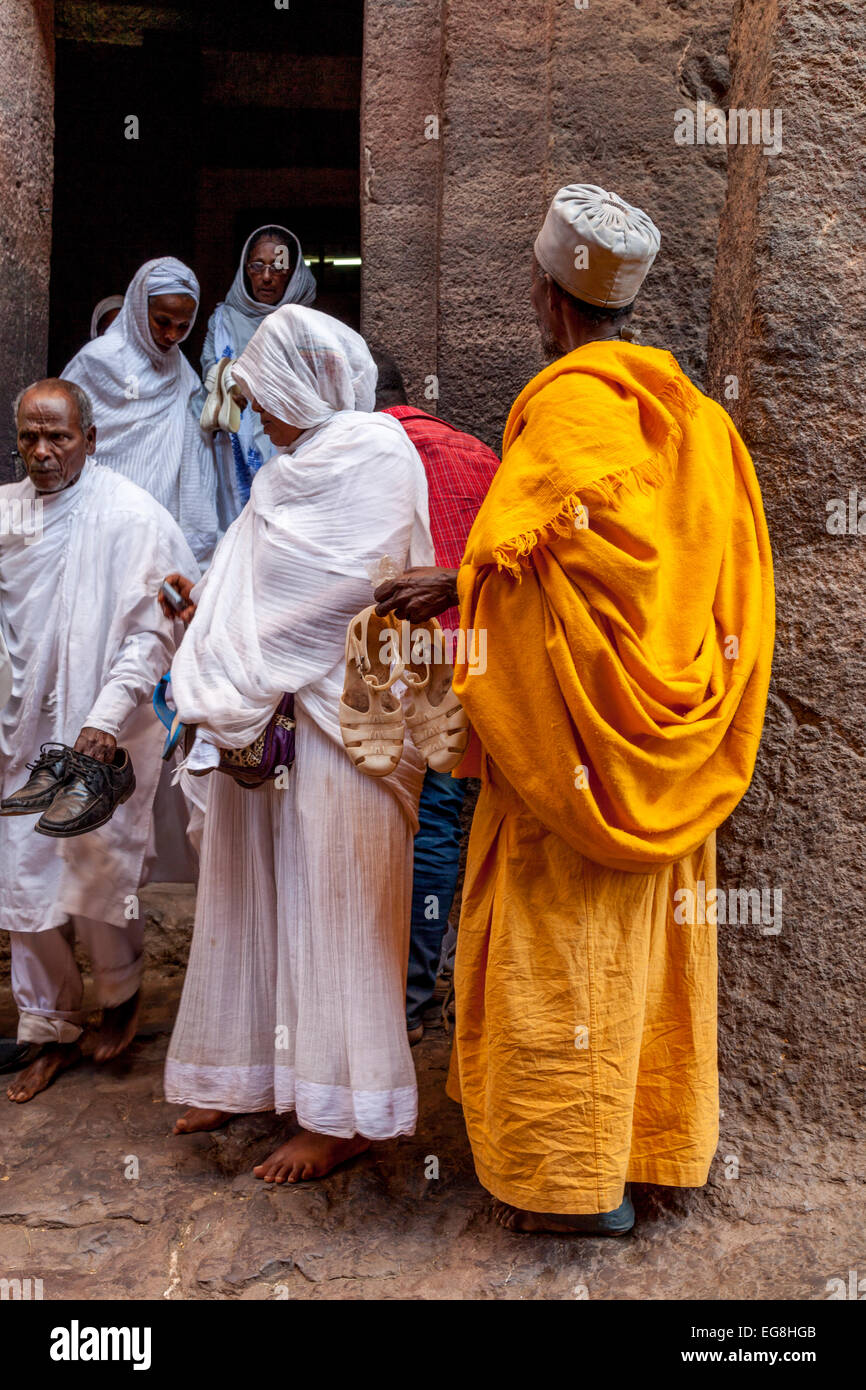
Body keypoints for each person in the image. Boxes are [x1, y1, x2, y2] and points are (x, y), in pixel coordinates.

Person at [375, 183, 775, 1234]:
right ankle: (652, 1152)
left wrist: (461, 589)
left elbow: (531, 580)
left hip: (568, 769)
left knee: (559, 964)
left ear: (546, 297)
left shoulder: (560, 405)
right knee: (647, 964)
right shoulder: (696, 423)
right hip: (664, 757)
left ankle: (571, 1187)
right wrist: (466, 581)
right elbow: (685, 580)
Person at [162, 305, 434, 1185]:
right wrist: (206, 613)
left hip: (343, 723)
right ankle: (243, 1075)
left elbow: (353, 589)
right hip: (267, 721)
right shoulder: (285, 473)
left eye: (265, 396)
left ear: (306, 382)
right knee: (252, 894)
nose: (257, 417)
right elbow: (255, 579)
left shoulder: (374, 452)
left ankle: (345, 1114)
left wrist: (238, 648)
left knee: (338, 907)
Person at [0, 378, 198, 1099]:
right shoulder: (6, 513)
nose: (44, 451)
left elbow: (157, 629)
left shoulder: (132, 518)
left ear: (91, 437)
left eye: (59, 436)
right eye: (30, 436)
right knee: (22, 877)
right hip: (16, 732)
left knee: (92, 864)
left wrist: (104, 718)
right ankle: (46, 1025)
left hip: (101, 729)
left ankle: (119, 996)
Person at [372, 348, 499, 1043]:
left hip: (383, 666)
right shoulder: (476, 451)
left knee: (374, 820)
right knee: (440, 828)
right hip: (466, 658)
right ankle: (416, 1000)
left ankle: (381, 991)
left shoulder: (357, 454)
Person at [62, 257, 219, 567]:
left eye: (183, 326)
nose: (172, 335)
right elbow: (60, 434)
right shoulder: (97, 360)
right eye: (162, 322)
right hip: (99, 515)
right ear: (137, 308)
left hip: (158, 520)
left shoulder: (182, 372)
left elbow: (194, 448)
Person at [200, 225, 316, 524]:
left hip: (291, 446)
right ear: (245, 268)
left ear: (292, 272)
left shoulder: (308, 325)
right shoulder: (224, 319)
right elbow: (209, 372)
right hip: (233, 446)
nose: (266, 277)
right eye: (257, 266)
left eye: (278, 267)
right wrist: (224, 379)